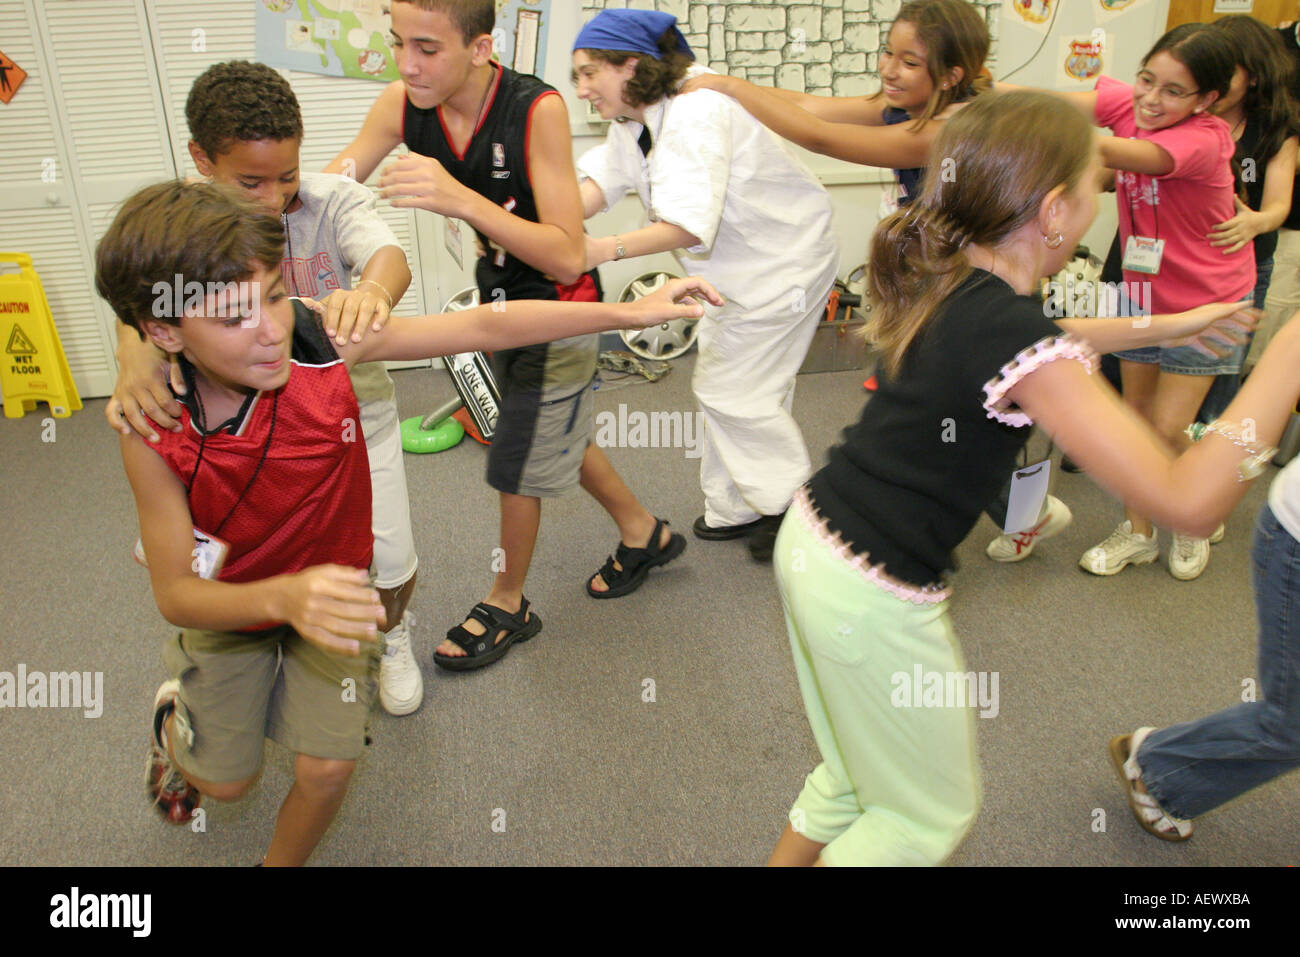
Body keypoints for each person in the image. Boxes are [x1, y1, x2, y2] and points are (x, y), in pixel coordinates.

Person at [97, 178, 718, 864]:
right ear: (163, 331)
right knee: (228, 782)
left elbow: (482, 327)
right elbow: (177, 594)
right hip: (230, 610)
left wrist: (626, 313)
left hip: (335, 596)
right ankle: (174, 722)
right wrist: (285, 598)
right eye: (232, 317)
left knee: (328, 769)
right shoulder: (151, 426)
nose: (270, 329)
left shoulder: (318, 338)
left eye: (273, 294)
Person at [768, 91, 1273, 867]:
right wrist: (1281, 367)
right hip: (869, 591)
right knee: (922, 819)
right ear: (1056, 212)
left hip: (815, 538)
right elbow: (1187, 502)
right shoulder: (1016, 334)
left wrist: (1177, 323)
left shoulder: (961, 282)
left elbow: (1054, 337)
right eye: (1098, 185)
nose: (1102, 200)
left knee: (851, 774)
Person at [328, 0, 685, 672]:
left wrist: (460, 199)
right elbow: (328, 190)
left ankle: (507, 601)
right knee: (549, 426)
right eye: (398, 43)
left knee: (517, 452)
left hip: (557, 302)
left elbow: (567, 254)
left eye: (427, 48)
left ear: (480, 48)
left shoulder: (535, 109)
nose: (407, 64)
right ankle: (644, 532)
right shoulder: (402, 104)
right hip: (496, 290)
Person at [106, 61, 426, 716]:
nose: (272, 198)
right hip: (233, 438)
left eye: (286, 176)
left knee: (390, 559)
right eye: (249, 182)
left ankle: (392, 635)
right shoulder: (186, 221)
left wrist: (371, 291)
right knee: (221, 563)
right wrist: (131, 352)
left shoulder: (332, 199)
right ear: (202, 160)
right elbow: (145, 297)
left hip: (351, 419)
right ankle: (235, 661)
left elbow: (389, 258)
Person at [572, 8, 840, 562]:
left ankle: (794, 512)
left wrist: (598, 250)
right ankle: (737, 505)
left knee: (731, 389)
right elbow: (597, 186)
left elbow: (689, 226)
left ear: (630, 66)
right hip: (736, 270)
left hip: (782, 263)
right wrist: (529, 227)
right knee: (742, 380)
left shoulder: (696, 110)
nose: (581, 90)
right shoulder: (634, 119)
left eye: (589, 73)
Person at [1033, 24, 1257, 582]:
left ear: (1207, 99)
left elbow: (1114, 150)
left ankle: (1195, 513)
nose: (1151, 99)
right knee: (1133, 419)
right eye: (1146, 80)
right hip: (1138, 288)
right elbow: (1049, 102)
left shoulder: (1204, 139)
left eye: (1173, 91)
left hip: (1208, 300)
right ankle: (1138, 532)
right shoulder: (1130, 104)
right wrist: (982, 94)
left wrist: (1018, 128)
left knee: (1167, 424)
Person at [680, 0, 990, 216]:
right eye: (887, 52)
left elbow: (820, 137)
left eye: (909, 63)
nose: (888, 71)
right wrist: (721, 84)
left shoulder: (940, 135)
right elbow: (808, 105)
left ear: (951, 76)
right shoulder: (908, 106)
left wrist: (732, 87)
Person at [1198, 14, 1299, 421]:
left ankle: (1206, 439)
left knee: (1222, 366)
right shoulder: (1188, 117)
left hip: (1244, 266)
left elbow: (1277, 205)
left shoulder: (1275, 130)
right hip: (1184, 261)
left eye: (1226, 71)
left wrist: (1256, 221)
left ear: (1253, 77)